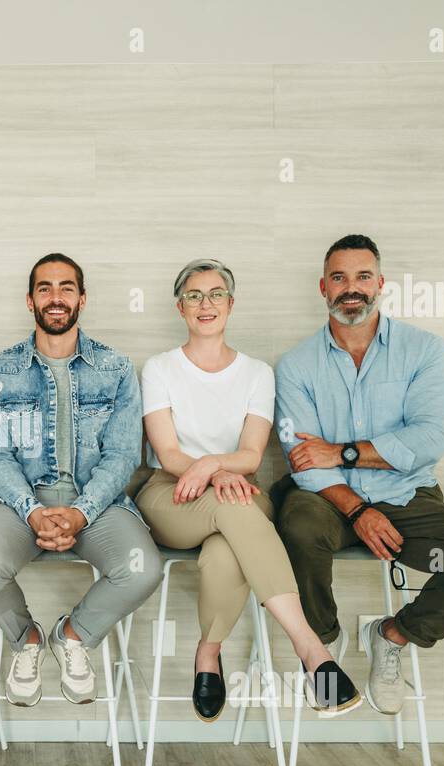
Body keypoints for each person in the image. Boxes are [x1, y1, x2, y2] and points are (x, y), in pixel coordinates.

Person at [272, 234, 444, 714]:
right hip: (327, 500)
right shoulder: (296, 365)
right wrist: (357, 508)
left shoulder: (425, 351)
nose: (351, 288)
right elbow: (303, 461)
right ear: (323, 287)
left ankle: (391, 635)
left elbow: (425, 442)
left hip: (405, 497)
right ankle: (322, 649)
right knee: (298, 523)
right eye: (339, 277)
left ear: (380, 283)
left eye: (363, 276)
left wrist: (339, 452)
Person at [135, 258, 361, 719]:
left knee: (225, 550)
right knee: (234, 510)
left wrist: (219, 466)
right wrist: (214, 471)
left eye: (216, 294)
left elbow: (252, 456)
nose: (206, 304)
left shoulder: (258, 373)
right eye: (194, 295)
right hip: (172, 494)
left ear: (231, 305)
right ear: (180, 307)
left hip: (239, 490)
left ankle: (207, 654)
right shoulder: (159, 368)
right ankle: (312, 651)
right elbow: (171, 454)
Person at [0, 253, 162, 706]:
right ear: (30, 301)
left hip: (98, 503)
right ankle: (26, 640)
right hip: (18, 503)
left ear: (82, 298)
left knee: (142, 568)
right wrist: (32, 510)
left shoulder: (116, 369)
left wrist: (80, 511)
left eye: (66, 288)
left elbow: (123, 454)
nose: (56, 297)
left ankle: (72, 636)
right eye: (45, 288)